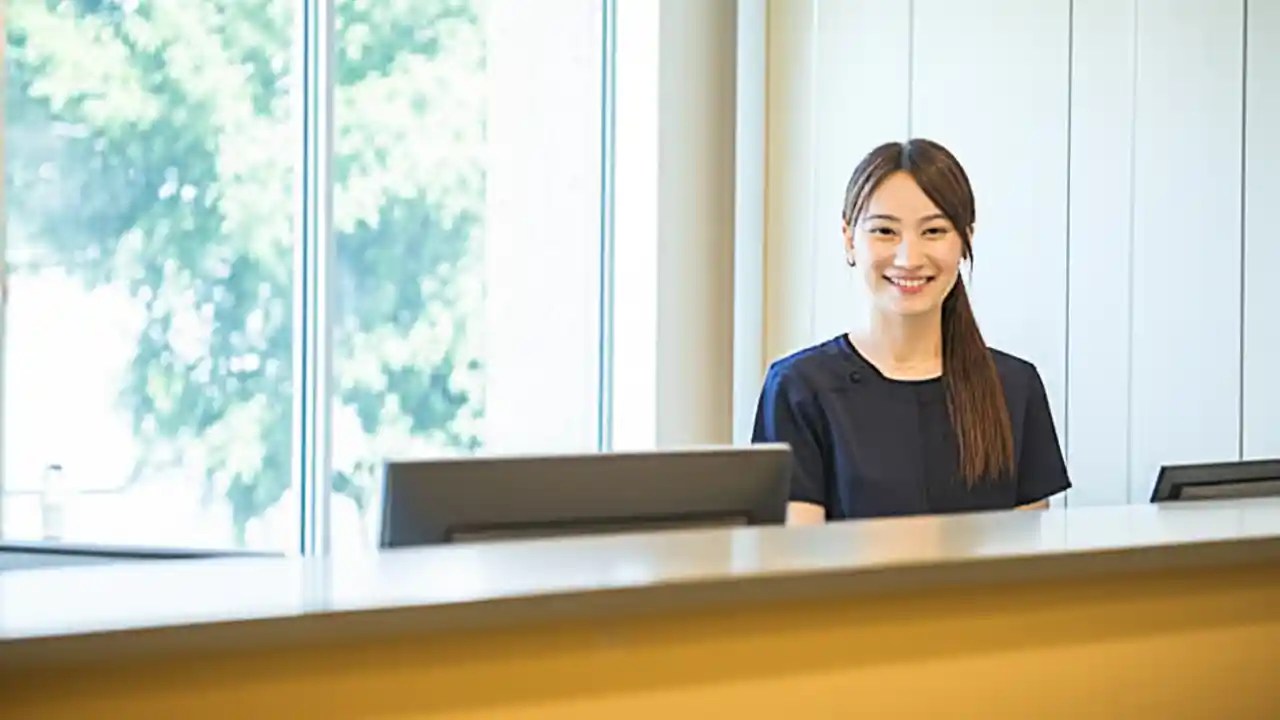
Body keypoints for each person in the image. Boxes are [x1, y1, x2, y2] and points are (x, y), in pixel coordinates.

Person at [752, 138, 1071, 525]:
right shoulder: (799, 388)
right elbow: (796, 565)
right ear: (850, 239)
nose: (909, 258)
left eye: (934, 231)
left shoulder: (1015, 388)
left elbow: (1031, 567)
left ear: (965, 239)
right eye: (885, 231)